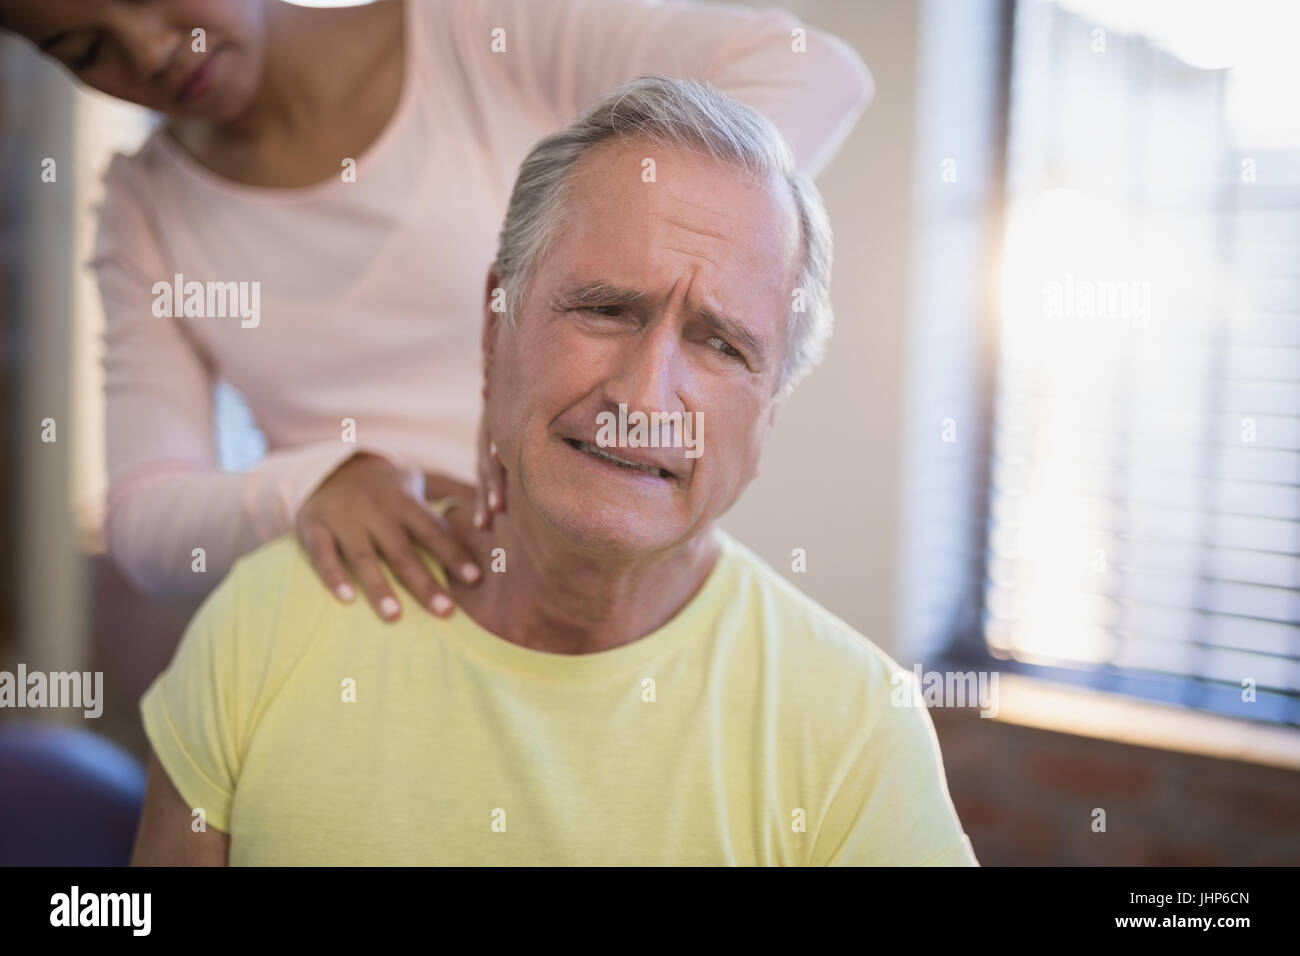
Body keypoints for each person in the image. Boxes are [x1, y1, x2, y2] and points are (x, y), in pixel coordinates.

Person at [131, 75, 977, 866]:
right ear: (497, 329)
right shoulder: (269, 620)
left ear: (769, 415)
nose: (646, 396)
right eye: (607, 310)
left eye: (721, 344)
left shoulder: (857, 729)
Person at [0, 0, 872, 623]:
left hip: (596, 596)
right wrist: (316, 483)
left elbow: (815, 71)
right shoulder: (145, 210)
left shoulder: (477, 26)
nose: (149, 48)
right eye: (88, 49)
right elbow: (146, 521)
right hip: (369, 622)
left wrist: (603, 246)